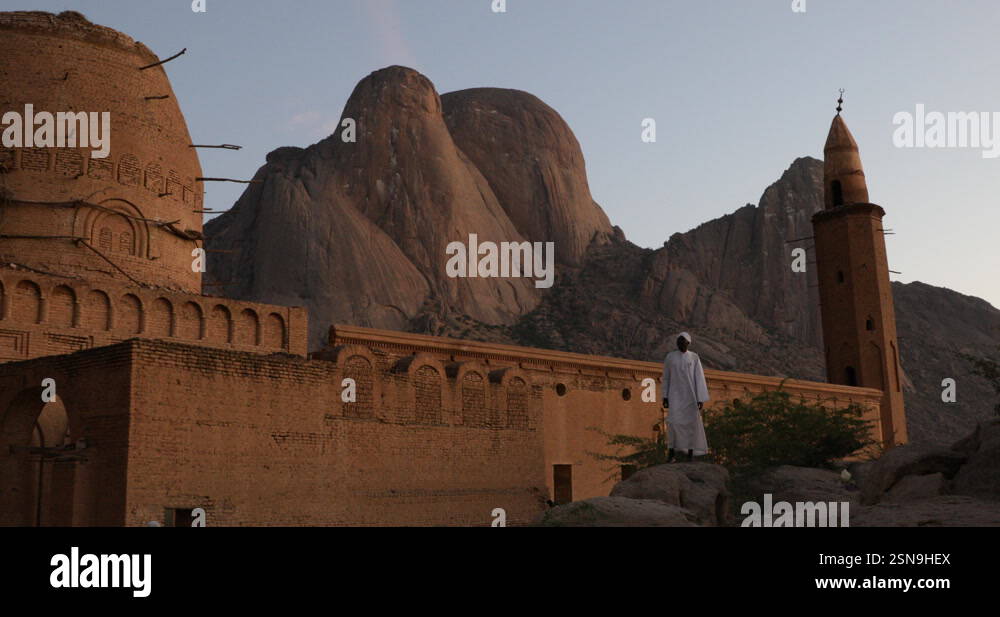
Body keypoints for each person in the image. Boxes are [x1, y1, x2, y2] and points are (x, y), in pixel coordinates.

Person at [662, 332, 710, 462]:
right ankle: (671, 453)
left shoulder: (694, 358)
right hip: (675, 396)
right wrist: (665, 396)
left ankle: (690, 454)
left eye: (683, 341)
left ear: (688, 343)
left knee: (691, 424)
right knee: (673, 423)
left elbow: (699, 378)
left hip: (690, 397)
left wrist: (700, 398)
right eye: (679, 341)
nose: (680, 343)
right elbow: (666, 378)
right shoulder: (670, 357)